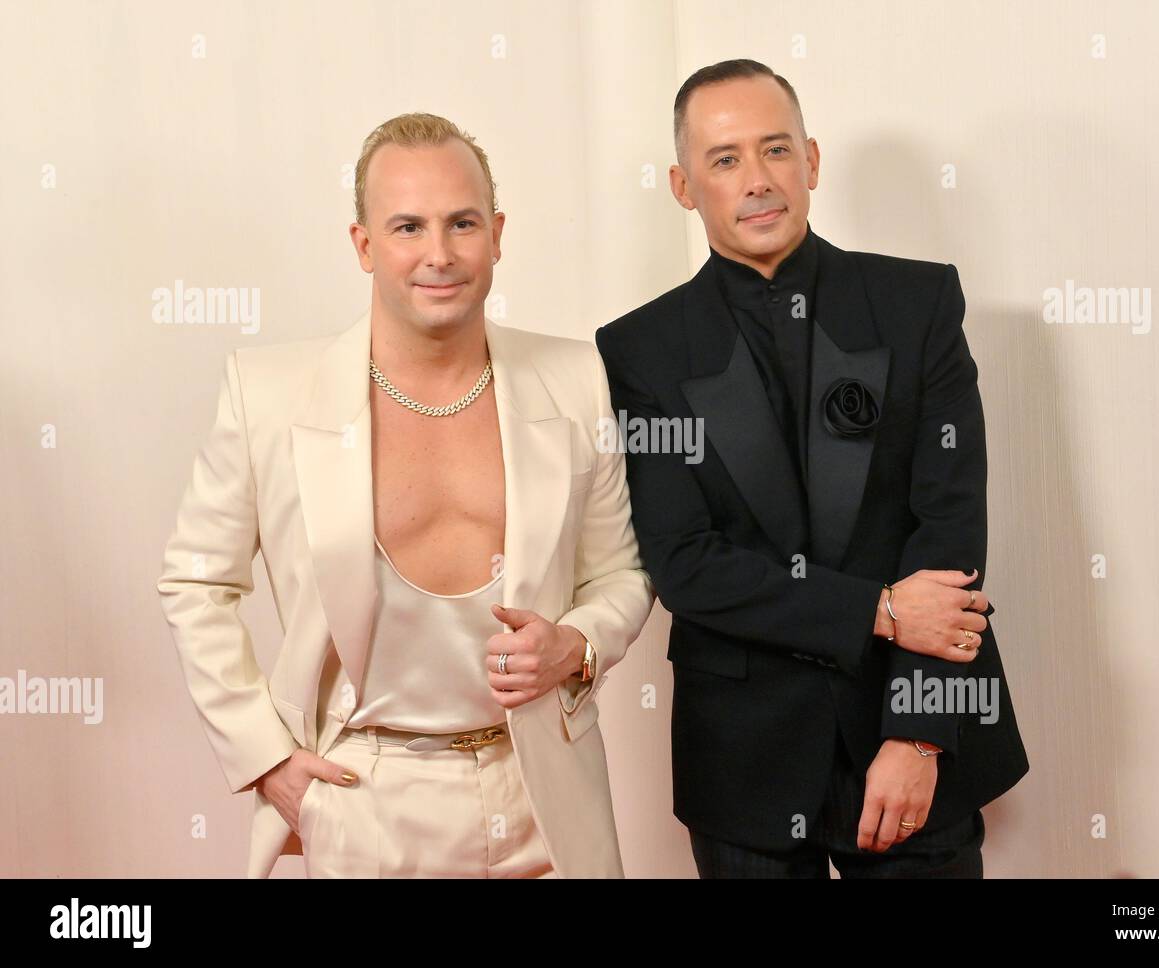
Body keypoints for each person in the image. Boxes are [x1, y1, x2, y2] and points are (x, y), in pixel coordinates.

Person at [157, 112, 653, 878]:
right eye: (408, 227)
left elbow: (619, 572)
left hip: (545, 794)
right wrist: (266, 757)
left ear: (497, 233)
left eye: (461, 223)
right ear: (363, 245)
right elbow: (197, 581)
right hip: (364, 797)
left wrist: (577, 644)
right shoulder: (269, 394)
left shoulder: (575, 378)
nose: (440, 254)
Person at [595, 60, 1029, 878]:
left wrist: (917, 734)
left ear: (813, 161)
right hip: (745, 763)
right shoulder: (638, 351)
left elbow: (949, 530)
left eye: (776, 151)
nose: (757, 181)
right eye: (724, 160)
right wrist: (881, 610)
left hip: (909, 740)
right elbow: (686, 564)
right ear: (684, 186)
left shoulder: (919, 303)